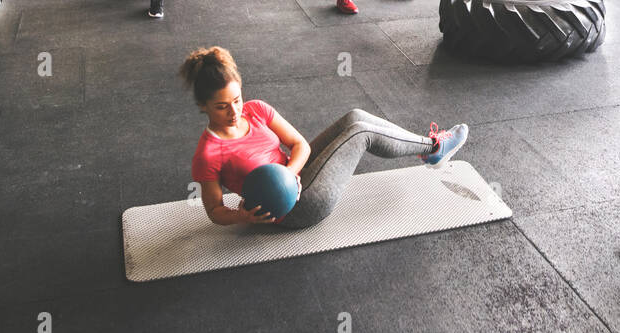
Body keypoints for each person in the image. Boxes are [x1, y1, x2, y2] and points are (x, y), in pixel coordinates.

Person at [180, 46, 468, 228]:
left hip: (298, 177)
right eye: (221, 106)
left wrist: (290, 173)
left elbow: (299, 145)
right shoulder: (208, 154)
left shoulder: (256, 110)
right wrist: (242, 217)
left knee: (356, 117)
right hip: (295, 208)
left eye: (237, 100)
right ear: (203, 106)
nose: (233, 111)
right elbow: (215, 210)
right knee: (361, 133)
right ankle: (434, 147)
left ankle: (431, 150)